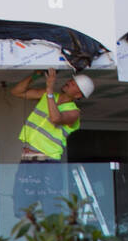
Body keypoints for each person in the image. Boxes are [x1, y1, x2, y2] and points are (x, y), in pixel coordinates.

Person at [10, 67, 95, 217]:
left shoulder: (74, 112)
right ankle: (35, 236)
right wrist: (34, 76)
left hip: (47, 162)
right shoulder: (49, 96)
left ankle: (54, 239)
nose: (69, 82)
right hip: (29, 159)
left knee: (51, 209)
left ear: (79, 94)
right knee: (21, 207)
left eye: (74, 83)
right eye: (71, 80)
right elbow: (16, 92)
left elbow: (55, 118)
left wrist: (49, 89)